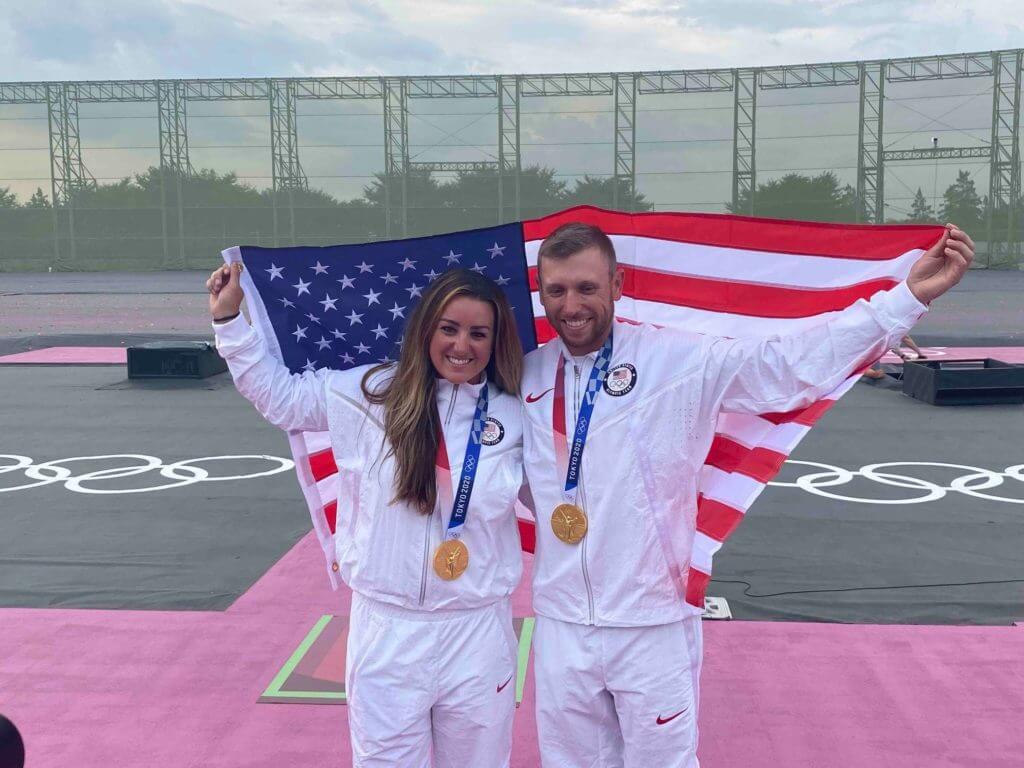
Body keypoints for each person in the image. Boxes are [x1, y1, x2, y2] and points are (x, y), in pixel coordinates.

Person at [520, 222, 974, 767]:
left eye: (586, 288)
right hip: (562, 625)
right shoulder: (523, 376)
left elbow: (789, 368)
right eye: (557, 290)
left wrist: (906, 298)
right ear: (541, 292)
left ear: (617, 285)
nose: (571, 305)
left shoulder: (677, 360)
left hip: (652, 625)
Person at [206, 264, 525, 768]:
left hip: (477, 631)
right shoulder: (369, 393)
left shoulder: (515, 413)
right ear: (425, 330)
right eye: (449, 328)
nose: (462, 345)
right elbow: (282, 399)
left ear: (495, 340)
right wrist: (230, 323)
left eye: (477, 333)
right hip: (387, 629)